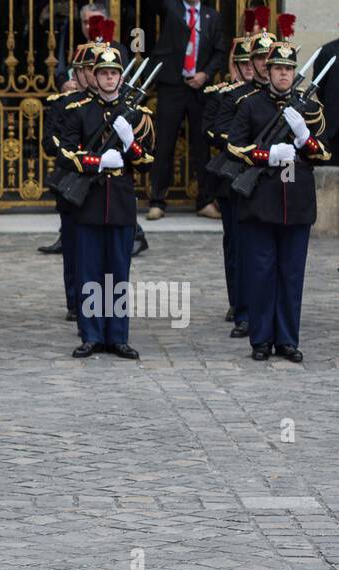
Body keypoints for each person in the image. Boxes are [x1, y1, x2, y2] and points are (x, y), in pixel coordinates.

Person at [227, 39, 329, 362]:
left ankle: (287, 339)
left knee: (291, 274)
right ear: (267, 70)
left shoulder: (310, 109)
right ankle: (261, 339)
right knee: (261, 272)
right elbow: (234, 147)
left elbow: (324, 153)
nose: (284, 75)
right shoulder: (250, 104)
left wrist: (305, 137)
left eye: (288, 69)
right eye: (278, 69)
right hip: (261, 201)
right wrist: (266, 155)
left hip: (296, 201)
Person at [60, 42, 155, 359]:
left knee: (117, 271)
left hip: (120, 201)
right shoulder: (79, 111)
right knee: (89, 271)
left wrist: (130, 144)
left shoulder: (137, 114)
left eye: (115, 73)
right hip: (89, 199)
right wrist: (96, 163)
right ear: (95, 76)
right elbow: (67, 153)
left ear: (121, 76)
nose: (110, 78)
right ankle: (91, 334)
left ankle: (117, 335)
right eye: (104, 73)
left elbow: (147, 160)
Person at [143, 0, 229, 220]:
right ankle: (157, 201)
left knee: (203, 145)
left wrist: (205, 75)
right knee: (164, 143)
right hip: (172, 84)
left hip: (199, 87)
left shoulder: (212, 16)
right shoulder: (171, 8)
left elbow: (220, 52)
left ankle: (205, 200)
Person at [42, 34, 102, 323]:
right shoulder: (63, 103)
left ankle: (100, 304)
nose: (95, 74)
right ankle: (75, 300)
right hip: (72, 180)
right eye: (90, 69)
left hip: (102, 184)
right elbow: (50, 141)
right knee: (74, 244)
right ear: (77, 73)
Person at [202, 23, 257, 336]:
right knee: (235, 245)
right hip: (231, 176)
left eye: (257, 62)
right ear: (235, 65)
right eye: (245, 62)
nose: (251, 68)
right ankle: (239, 301)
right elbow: (211, 130)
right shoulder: (224, 95)